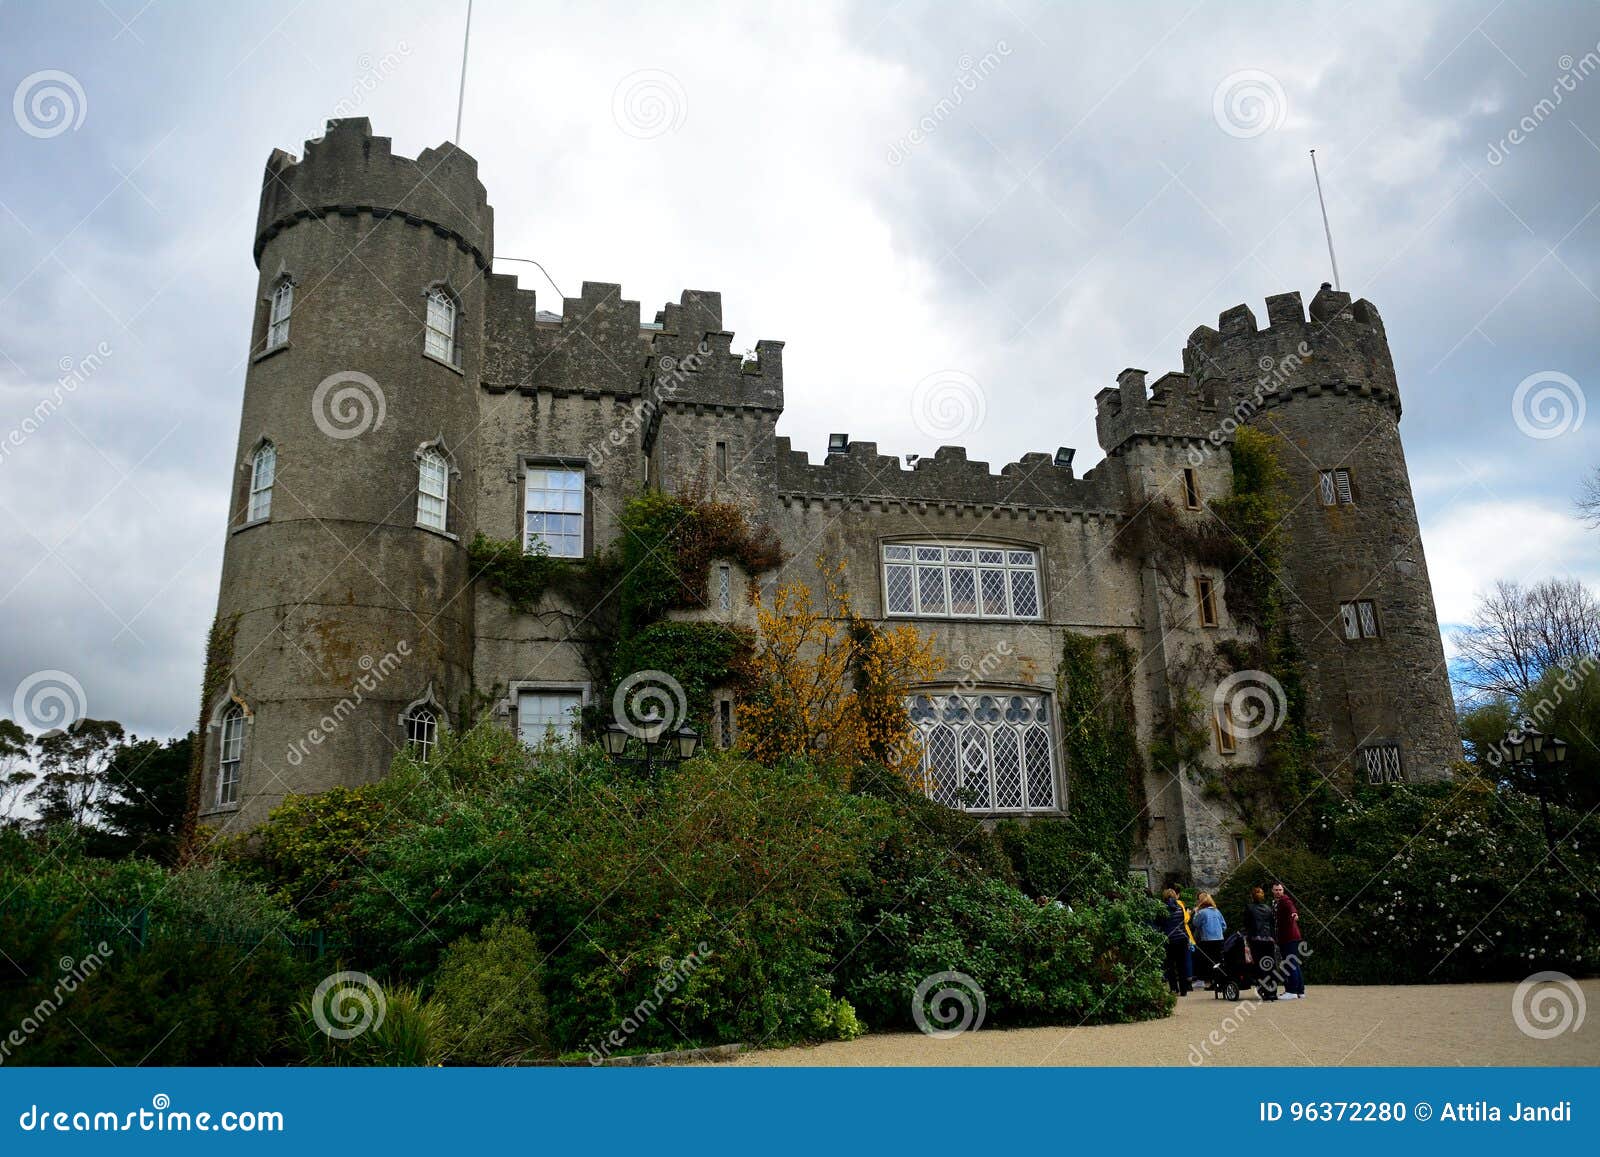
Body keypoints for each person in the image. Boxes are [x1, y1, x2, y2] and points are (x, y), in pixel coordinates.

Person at [1271, 881, 1306, 999]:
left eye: (1280, 890)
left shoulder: (1285, 900)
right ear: (1272, 891)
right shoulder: (1275, 902)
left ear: (1283, 891)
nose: (1278, 892)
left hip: (1289, 937)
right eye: (1276, 890)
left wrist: (1294, 914)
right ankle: (1300, 991)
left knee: (1290, 964)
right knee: (1294, 963)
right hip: (1288, 937)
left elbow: (1291, 907)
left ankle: (1291, 991)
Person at [1159, 888, 1192, 995]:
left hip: (1169, 940)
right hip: (1182, 938)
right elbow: (1183, 923)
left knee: (1170, 966)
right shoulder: (1180, 908)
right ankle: (1184, 989)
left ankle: (1174, 988)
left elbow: (1161, 924)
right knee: (1181, 965)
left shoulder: (1162, 909)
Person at [1191, 892, 1226, 985]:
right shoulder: (1217, 911)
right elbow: (1224, 926)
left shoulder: (1202, 912)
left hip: (1207, 939)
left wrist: (1195, 912)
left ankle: (1210, 981)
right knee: (1218, 960)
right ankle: (1219, 981)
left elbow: (1195, 923)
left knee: (1208, 961)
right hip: (1219, 938)